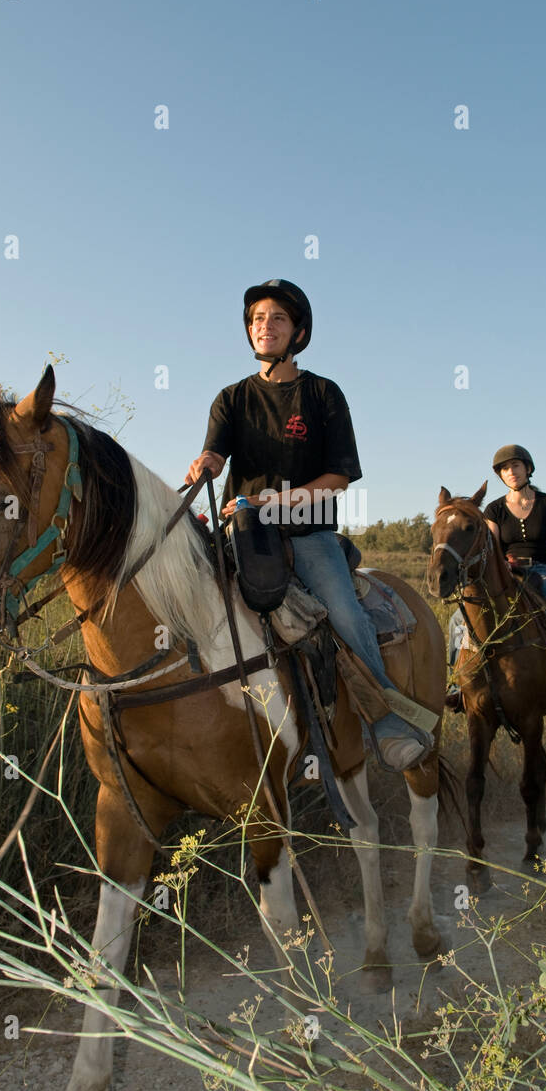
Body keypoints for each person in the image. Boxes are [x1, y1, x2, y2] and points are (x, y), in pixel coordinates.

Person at [185, 278, 432, 770]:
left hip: (308, 534)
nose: (264, 326)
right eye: (257, 319)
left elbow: (339, 476)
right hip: (245, 533)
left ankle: (386, 723)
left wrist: (273, 500)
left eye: (277, 318)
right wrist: (206, 462)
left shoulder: (322, 394)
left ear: (298, 332)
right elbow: (215, 449)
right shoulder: (231, 398)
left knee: (344, 614)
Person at [447, 444, 546, 710]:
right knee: (458, 619)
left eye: (515, 466)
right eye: (505, 469)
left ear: (528, 468)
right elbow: (492, 547)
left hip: (544, 573)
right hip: (507, 574)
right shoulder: (494, 510)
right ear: (501, 476)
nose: (511, 472)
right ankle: (457, 685)